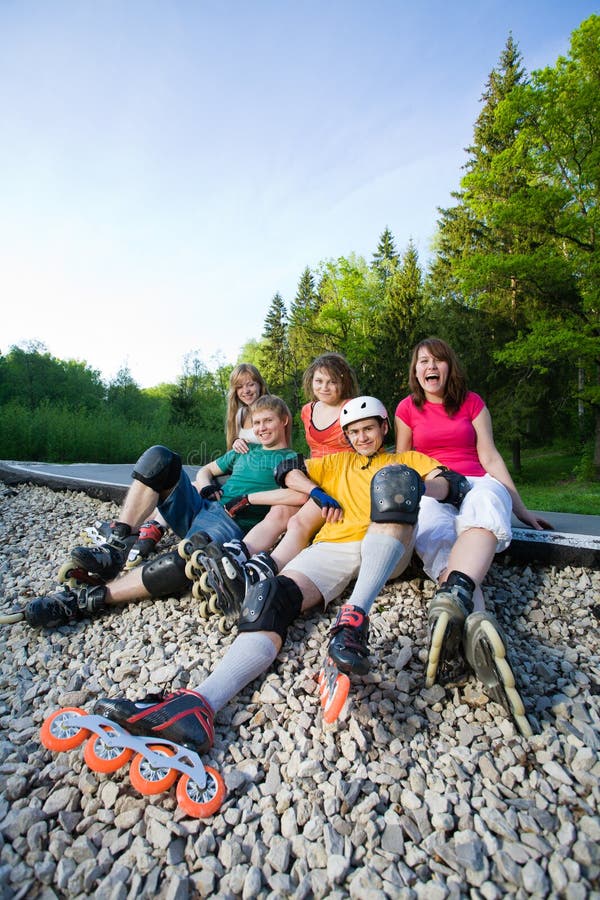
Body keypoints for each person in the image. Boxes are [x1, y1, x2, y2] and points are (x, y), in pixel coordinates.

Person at [91, 396, 464, 752]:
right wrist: (316, 491)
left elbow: (453, 485)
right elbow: (287, 471)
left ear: (384, 427)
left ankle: (354, 619)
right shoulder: (335, 463)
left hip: (388, 542)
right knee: (267, 597)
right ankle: (200, 704)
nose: (362, 437)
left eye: (369, 429)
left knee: (395, 482)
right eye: (355, 431)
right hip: (334, 546)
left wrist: (419, 484)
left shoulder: (409, 457)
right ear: (347, 436)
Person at [24, 396, 309, 627]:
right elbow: (207, 470)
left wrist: (250, 499)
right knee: (161, 458)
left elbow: (299, 494)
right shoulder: (243, 450)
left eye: (267, 421)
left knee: (185, 561)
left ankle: (94, 599)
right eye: (256, 422)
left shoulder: (291, 459)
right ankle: (117, 545)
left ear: (284, 421)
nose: (261, 428)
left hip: (230, 527)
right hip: (203, 506)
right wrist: (206, 485)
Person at [395, 337, 552, 735]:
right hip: (434, 487)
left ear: (449, 366)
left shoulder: (473, 403)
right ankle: (475, 626)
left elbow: (492, 457)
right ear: (415, 372)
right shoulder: (406, 409)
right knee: (432, 526)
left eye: (438, 359)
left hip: (476, 480)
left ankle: (455, 599)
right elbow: (403, 461)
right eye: (422, 361)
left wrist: (522, 510)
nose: (430, 366)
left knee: (485, 504)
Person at [198, 353, 360, 597]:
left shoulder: (352, 408)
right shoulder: (309, 410)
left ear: (343, 381)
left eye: (331, 381)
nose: (324, 387)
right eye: (319, 381)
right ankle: (240, 554)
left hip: (344, 473)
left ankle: (264, 568)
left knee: (296, 520)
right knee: (279, 512)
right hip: (315, 471)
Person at [120, 364, 271, 568]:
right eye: (240, 387)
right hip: (236, 467)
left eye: (250, 384)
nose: (246, 390)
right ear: (234, 391)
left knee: (199, 486)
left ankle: (156, 524)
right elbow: (232, 452)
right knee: (196, 482)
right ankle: (144, 527)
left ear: (260, 385)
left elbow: (274, 448)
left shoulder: (270, 411)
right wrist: (235, 444)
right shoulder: (240, 414)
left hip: (255, 474)